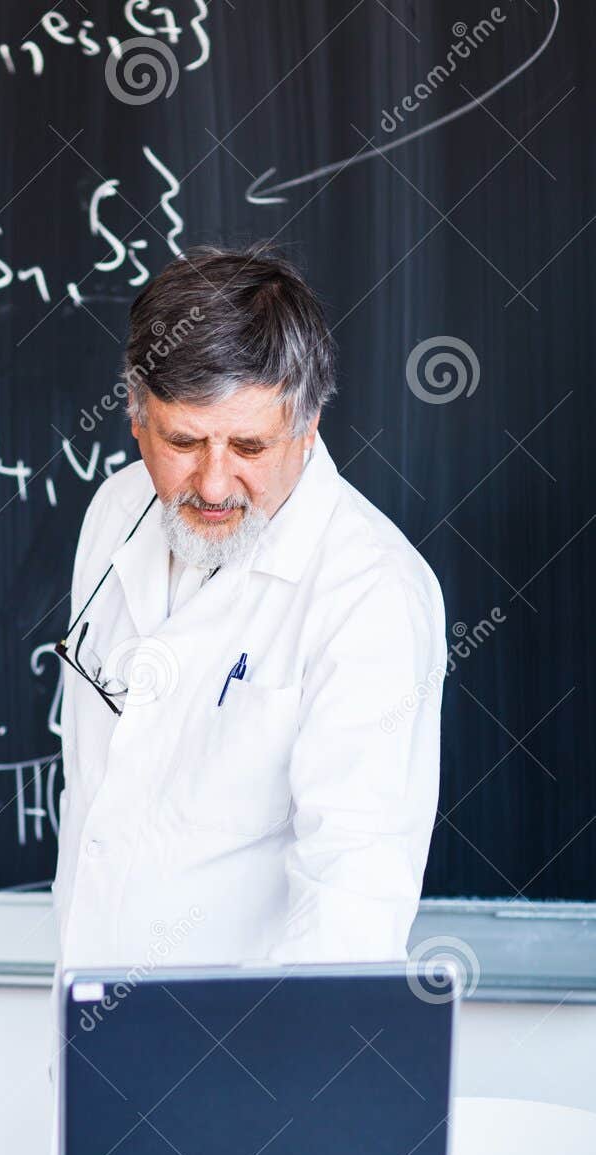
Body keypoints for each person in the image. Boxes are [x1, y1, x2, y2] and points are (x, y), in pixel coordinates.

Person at [53, 246, 447, 969]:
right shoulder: (115, 511)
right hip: (87, 1015)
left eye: (248, 445)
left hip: (247, 1049)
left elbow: (351, 895)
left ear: (308, 423)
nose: (211, 483)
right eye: (181, 441)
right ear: (136, 417)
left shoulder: (369, 590)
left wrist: (268, 1066)